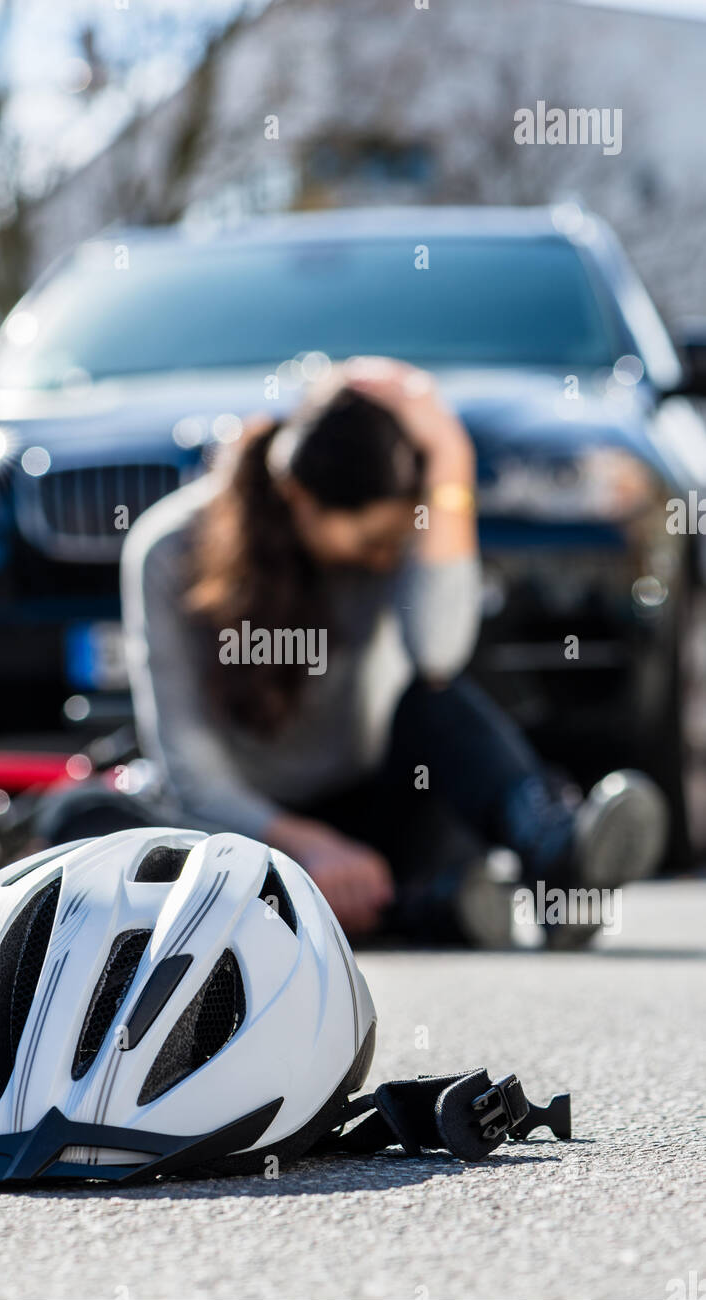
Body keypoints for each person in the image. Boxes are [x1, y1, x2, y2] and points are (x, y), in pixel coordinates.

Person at [48, 357, 668, 947]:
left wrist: (451, 464)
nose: (385, 552)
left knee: (439, 705)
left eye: (399, 532)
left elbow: (438, 656)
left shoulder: (402, 530)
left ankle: (553, 855)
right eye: (372, 537)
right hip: (244, 836)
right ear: (300, 497)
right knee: (81, 820)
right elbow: (191, 768)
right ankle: (428, 908)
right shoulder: (168, 549)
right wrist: (305, 845)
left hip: (379, 824)